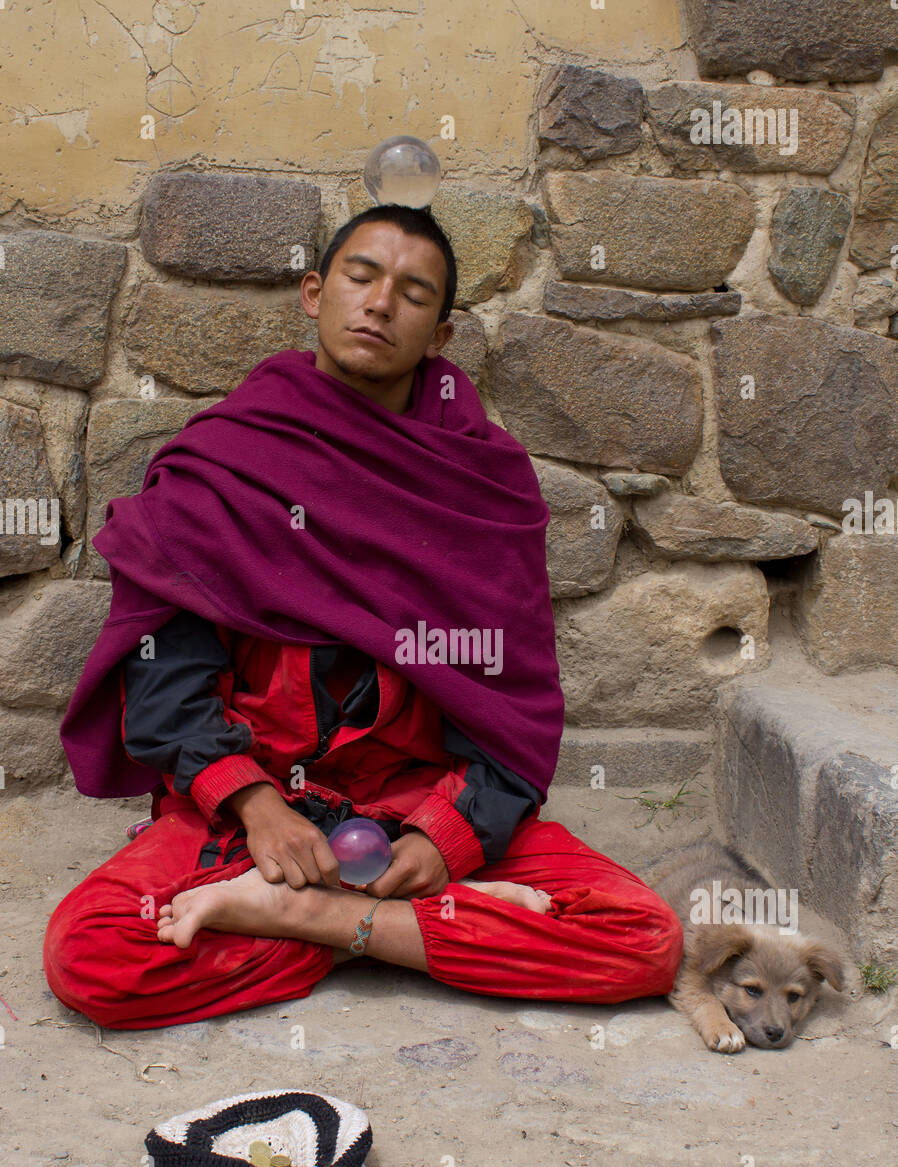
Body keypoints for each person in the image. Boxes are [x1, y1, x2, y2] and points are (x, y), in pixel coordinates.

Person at [45, 203, 683, 1030]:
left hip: (422, 800)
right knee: (91, 956)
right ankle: (423, 931)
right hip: (262, 807)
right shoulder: (232, 459)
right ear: (315, 293)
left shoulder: (482, 484)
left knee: (644, 940)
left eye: (414, 293)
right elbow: (165, 675)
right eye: (361, 276)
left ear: (441, 335)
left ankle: (302, 918)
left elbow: (512, 703)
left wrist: (445, 841)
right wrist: (257, 808)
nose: (381, 304)